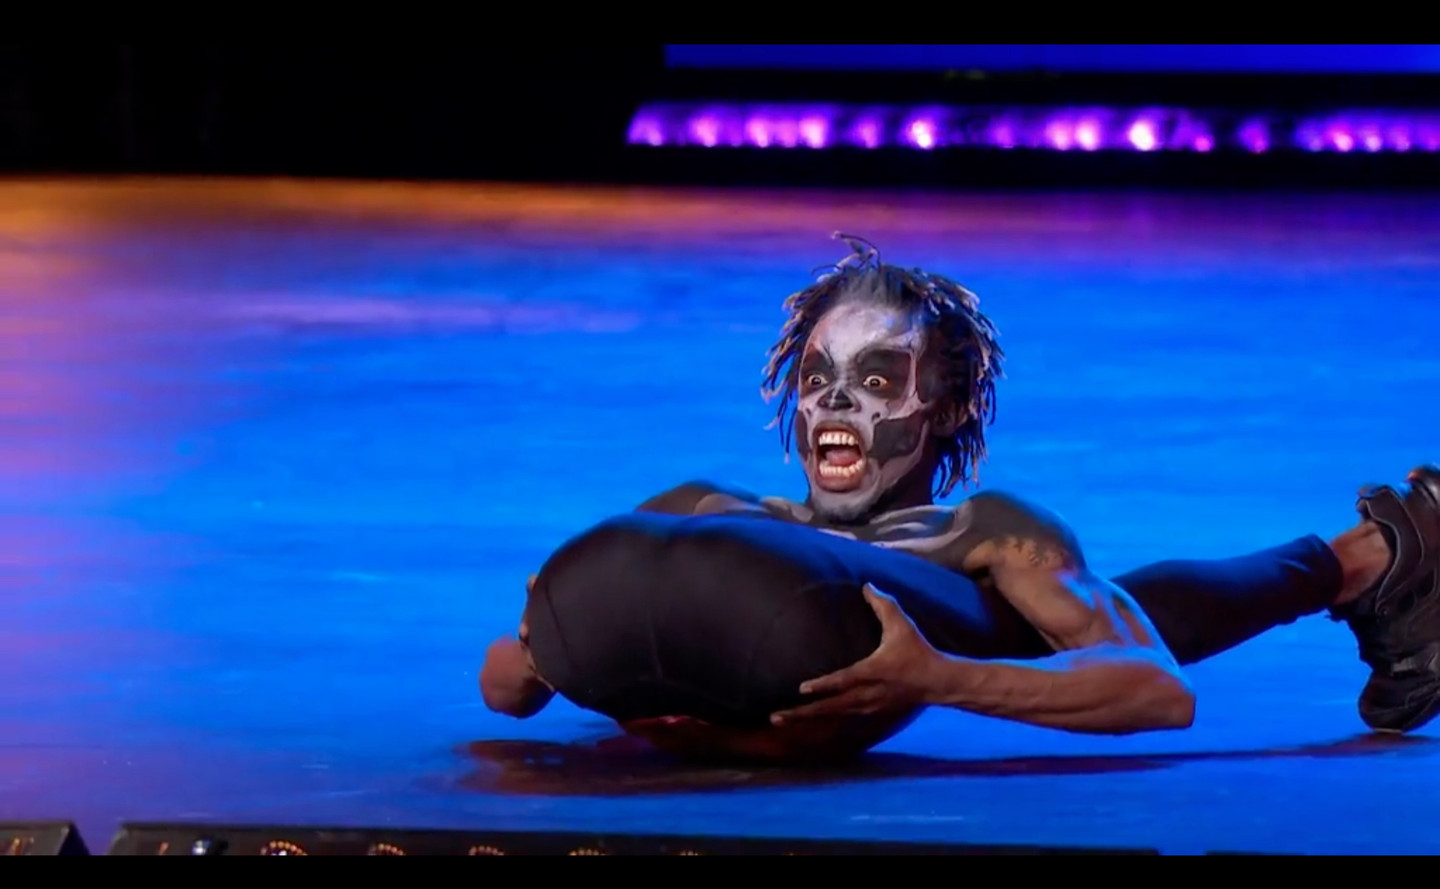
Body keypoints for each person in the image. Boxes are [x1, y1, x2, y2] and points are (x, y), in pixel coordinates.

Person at [480, 234, 1440, 761]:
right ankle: (1378, 554)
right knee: (1030, 628)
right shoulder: (703, 510)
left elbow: (1157, 691)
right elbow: (504, 686)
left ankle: (1368, 557)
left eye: (878, 379)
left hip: (930, 611)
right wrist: (563, 647)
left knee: (1018, 621)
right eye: (818, 380)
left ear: (940, 410)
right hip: (771, 637)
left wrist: (938, 679)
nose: (837, 405)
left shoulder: (986, 535)